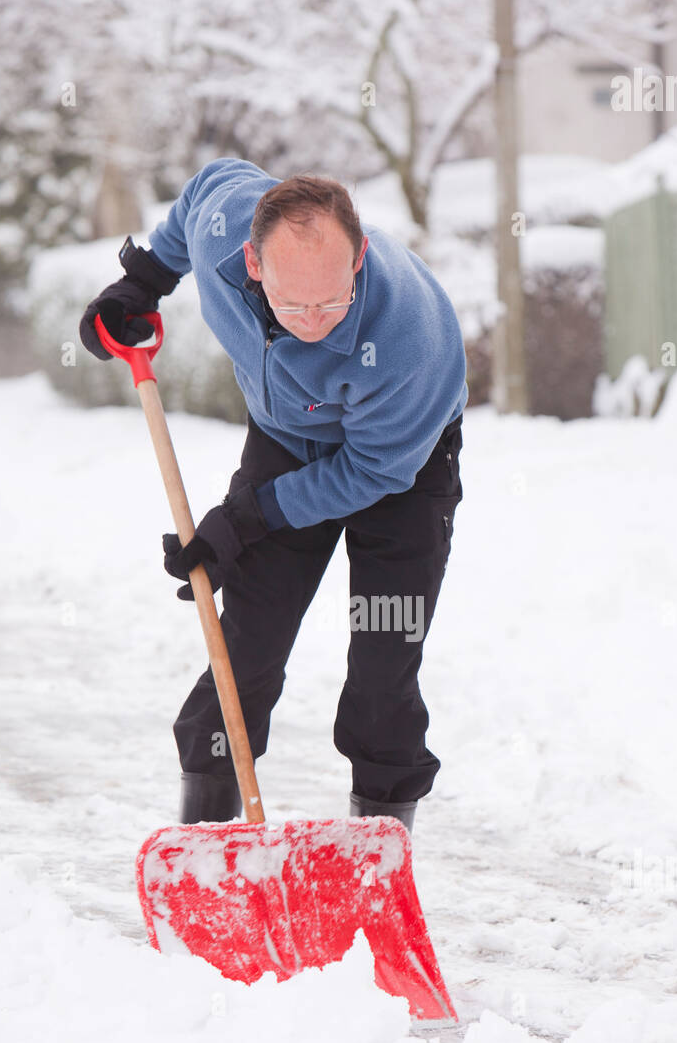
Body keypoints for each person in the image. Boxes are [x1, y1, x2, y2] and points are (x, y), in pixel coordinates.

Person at [80, 159, 466, 834]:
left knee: (383, 658)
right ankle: (209, 847)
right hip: (288, 433)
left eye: (332, 300)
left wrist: (246, 515)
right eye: (294, 304)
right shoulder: (223, 223)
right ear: (253, 263)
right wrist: (143, 280)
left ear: (360, 256)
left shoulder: (406, 336)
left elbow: (373, 471)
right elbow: (201, 186)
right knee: (246, 644)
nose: (314, 321)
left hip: (402, 465)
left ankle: (377, 856)